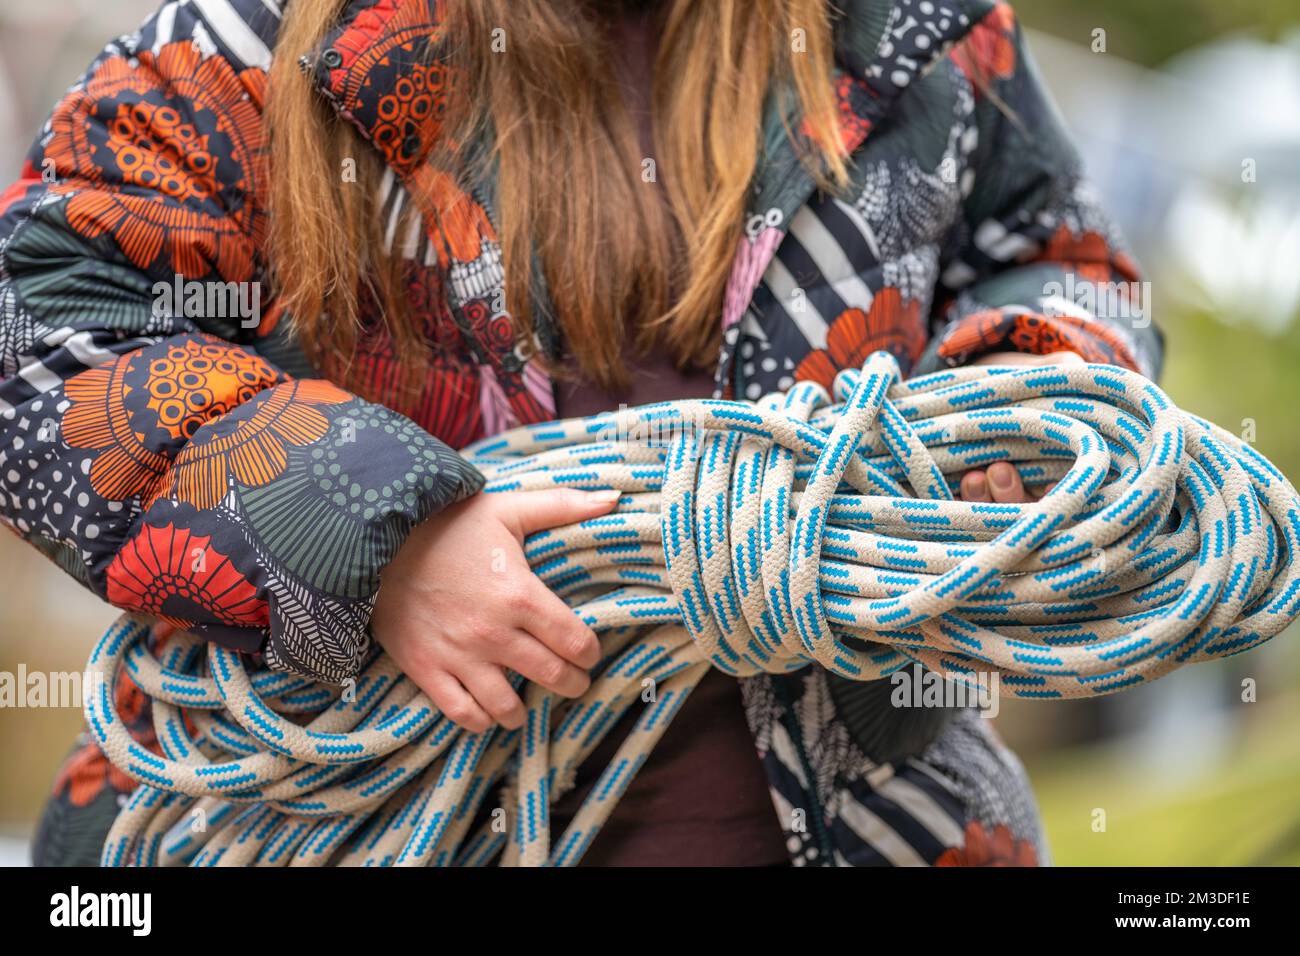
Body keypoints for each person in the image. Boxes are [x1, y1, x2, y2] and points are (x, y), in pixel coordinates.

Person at [0, 0, 1161, 867]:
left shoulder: (916, 23)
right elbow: (38, 323)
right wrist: (379, 543)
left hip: (885, 824)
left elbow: (1059, 250)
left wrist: (1024, 392)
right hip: (307, 826)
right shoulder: (254, 39)